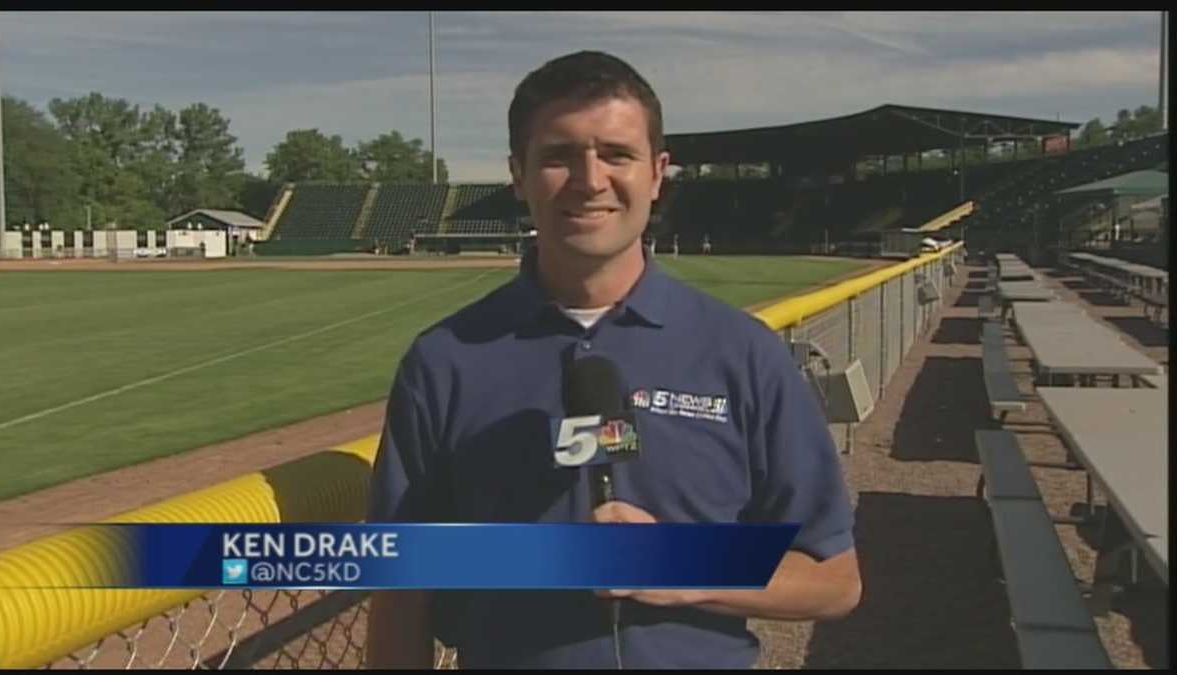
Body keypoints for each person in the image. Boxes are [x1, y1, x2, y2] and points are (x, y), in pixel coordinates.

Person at [366, 50, 860, 669]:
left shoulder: (742, 352)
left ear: (657, 173)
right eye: (558, 156)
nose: (590, 179)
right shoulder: (444, 362)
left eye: (616, 155)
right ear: (518, 175)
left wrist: (682, 565)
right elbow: (401, 589)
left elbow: (834, 578)